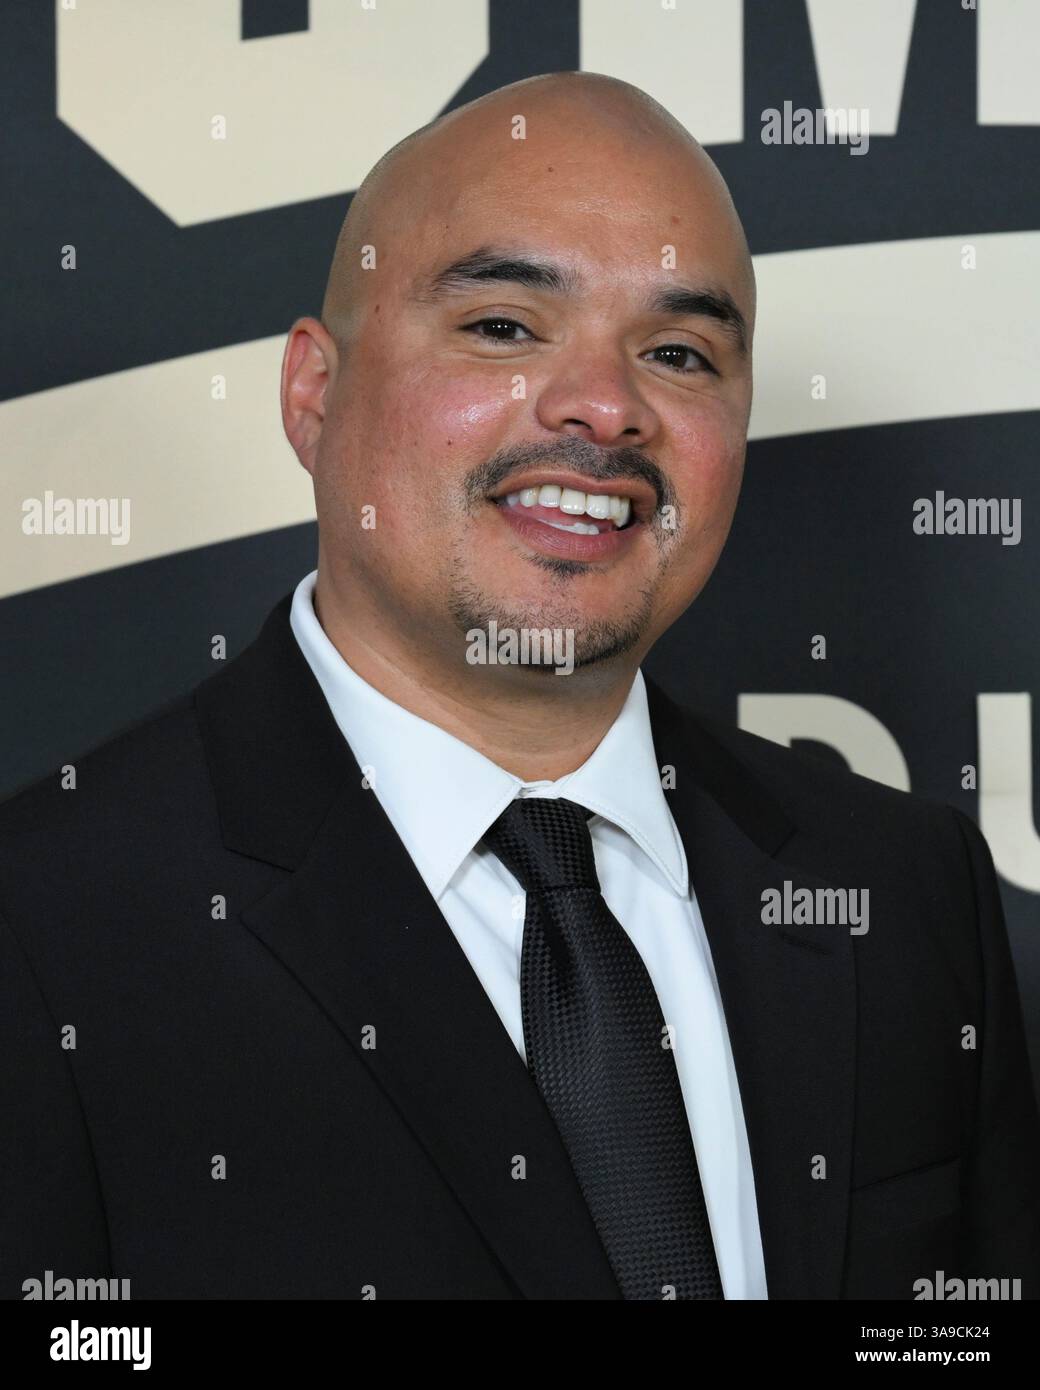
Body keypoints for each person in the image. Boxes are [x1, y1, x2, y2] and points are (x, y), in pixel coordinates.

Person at [2, 72, 1037, 1301]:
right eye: (503, 325)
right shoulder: (43, 931)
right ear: (313, 396)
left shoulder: (901, 892)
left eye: (675, 351)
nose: (604, 406)